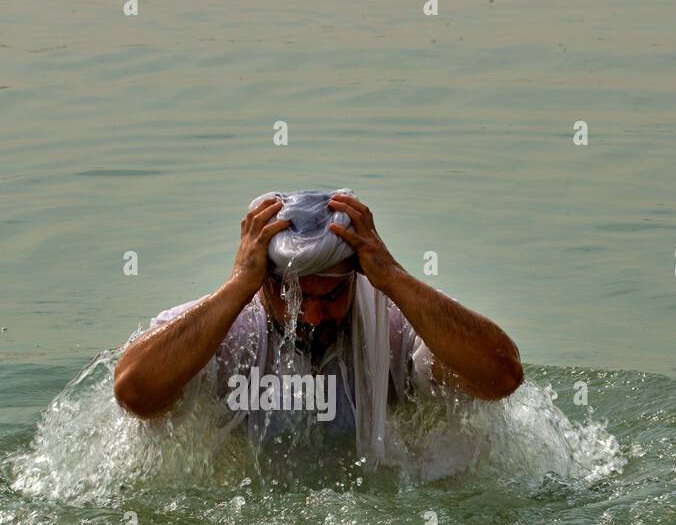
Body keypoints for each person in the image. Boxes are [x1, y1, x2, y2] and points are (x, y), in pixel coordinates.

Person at [113, 190, 523, 459]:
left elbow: (501, 376)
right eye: (292, 299)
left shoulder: (390, 325)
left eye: (329, 297)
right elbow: (135, 392)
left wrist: (394, 278)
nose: (310, 316)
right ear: (260, 285)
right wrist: (236, 286)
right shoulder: (229, 331)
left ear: (356, 278)